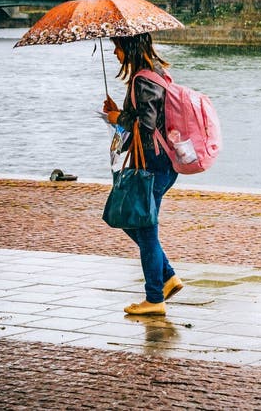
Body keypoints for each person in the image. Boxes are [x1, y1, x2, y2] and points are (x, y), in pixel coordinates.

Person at [102, 33, 183, 316]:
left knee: (144, 228)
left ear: (129, 47)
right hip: (161, 164)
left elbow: (146, 125)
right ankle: (167, 277)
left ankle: (154, 297)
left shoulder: (144, 80)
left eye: (117, 48)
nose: (115, 54)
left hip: (153, 166)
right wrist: (118, 113)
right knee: (135, 221)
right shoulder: (155, 73)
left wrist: (118, 118)